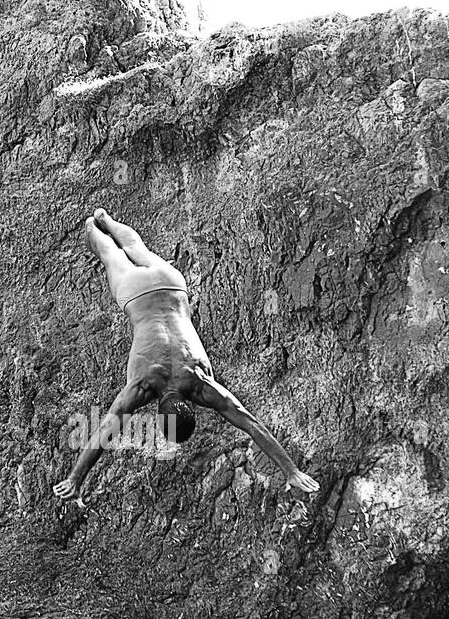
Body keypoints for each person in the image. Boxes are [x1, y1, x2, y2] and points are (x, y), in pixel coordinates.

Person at [53, 208, 319, 501]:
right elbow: (107, 427)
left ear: (191, 409)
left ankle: (107, 221)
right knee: (110, 255)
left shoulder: (201, 383)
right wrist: (74, 479)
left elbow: (252, 423)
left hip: (172, 284)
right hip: (136, 294)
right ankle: (93, 226)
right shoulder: (147, 386)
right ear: (158, 413)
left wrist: (292, 470)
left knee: (136, 248)